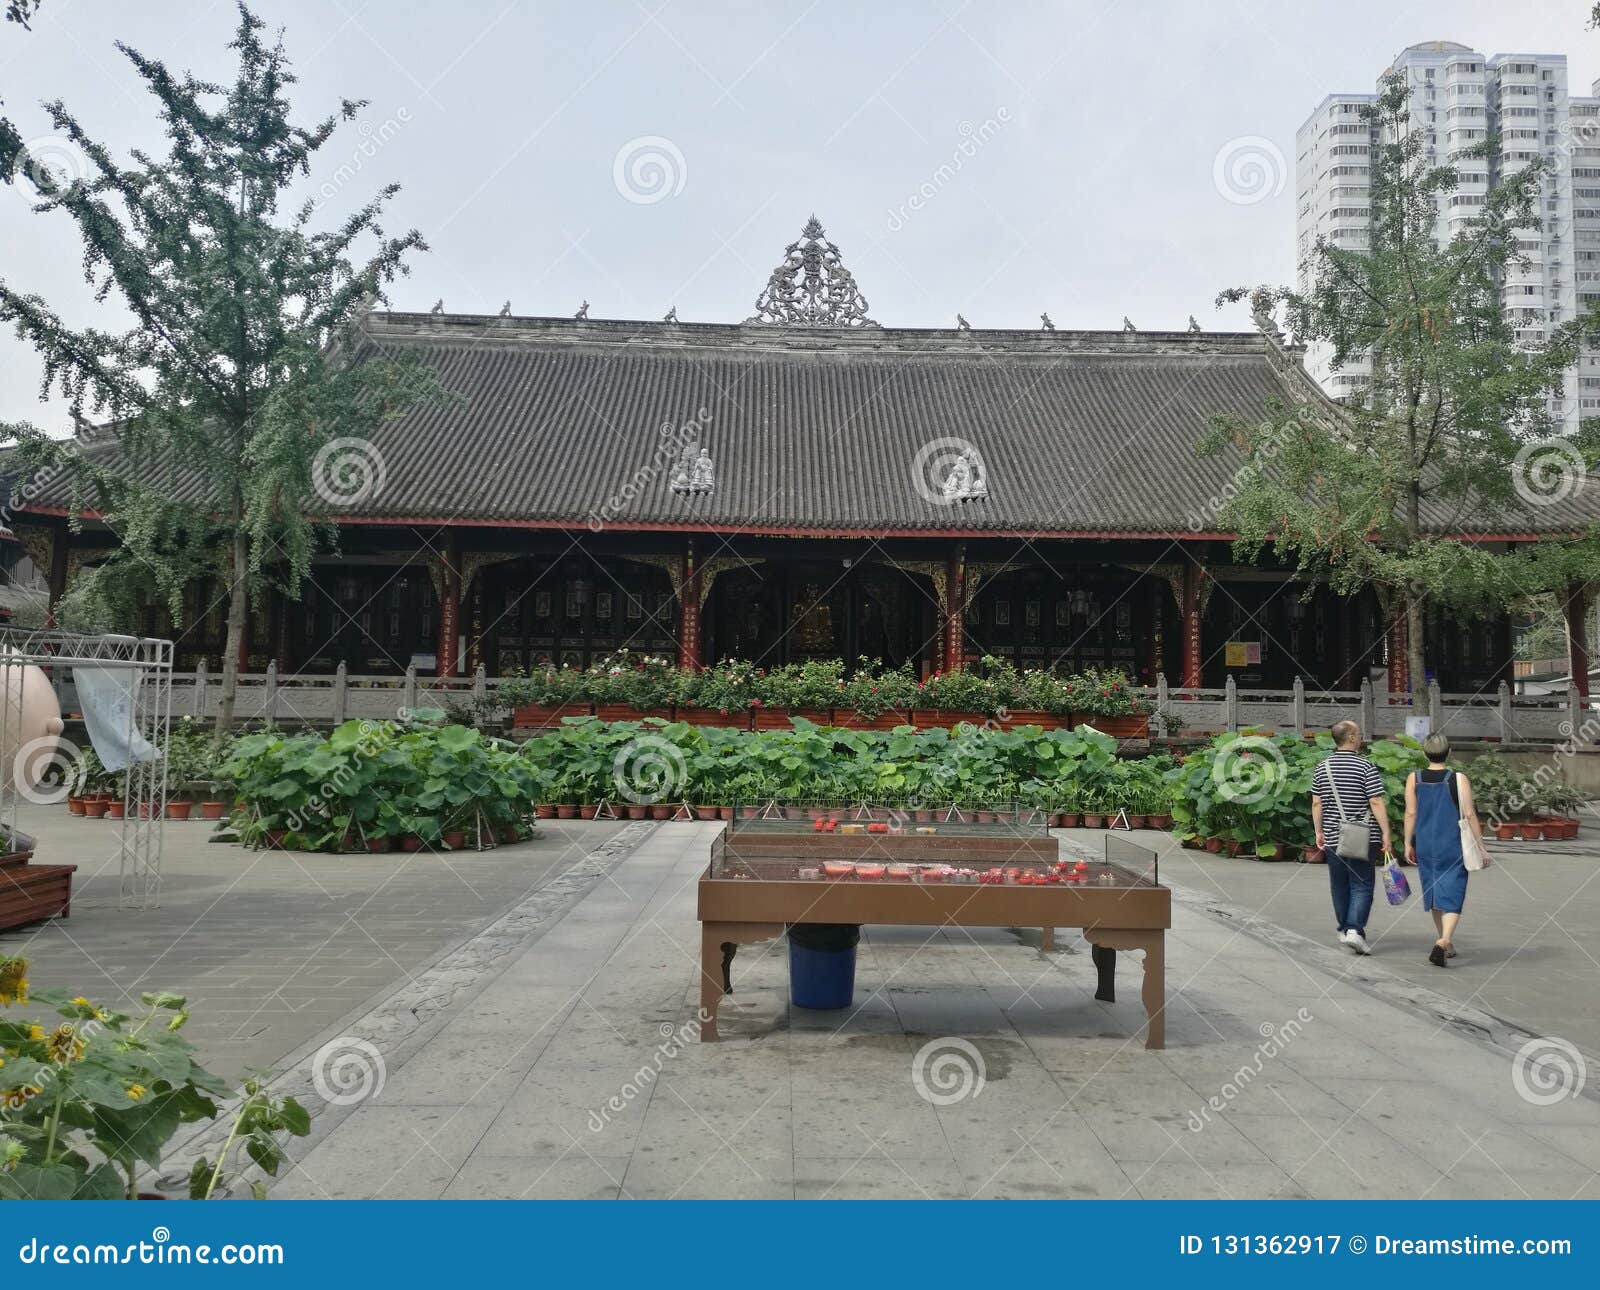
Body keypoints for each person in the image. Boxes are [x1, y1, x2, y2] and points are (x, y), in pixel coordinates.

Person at [1310, 720, 1391, 955]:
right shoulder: (1366, 767)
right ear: (1352, 738)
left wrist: (1318, 831)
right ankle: (1355, 930)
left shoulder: (1321, 767)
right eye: (1359, 733)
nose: (1362, 736)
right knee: (1362, 884)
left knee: (1339, 884)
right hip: (1364, 835)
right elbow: (1375, 801)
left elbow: (1317, 802)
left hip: (1334, 835)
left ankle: (1344, 928)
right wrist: (1386, 831)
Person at [1403, 733, 1481, 967]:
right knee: (1454, 891)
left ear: (1425, 753)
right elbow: (1469, 814)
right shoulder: (1458, 779)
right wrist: (1480, 845)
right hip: (1452, 843)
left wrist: (1408, 843)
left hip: (1426, 843)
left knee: (1435, 892)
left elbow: (1410, 813)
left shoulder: (1413, 778)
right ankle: (1444, 940)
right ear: (1449, 752)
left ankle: (1447, 943)